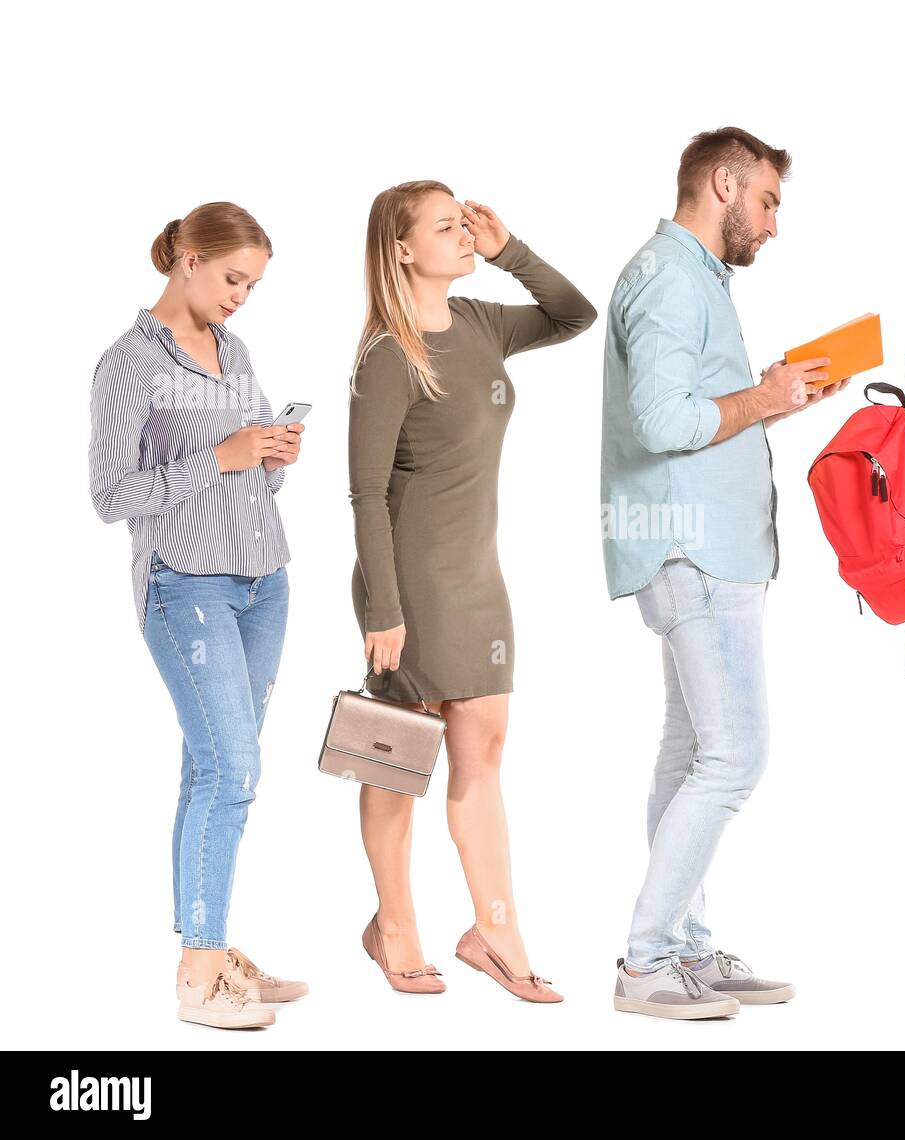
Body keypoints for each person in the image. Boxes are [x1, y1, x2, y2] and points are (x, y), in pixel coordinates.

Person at [601, 127, 848, 1019]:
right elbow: (665, 422)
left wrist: (773, 403)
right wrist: (767, 397)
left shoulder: (691, 278)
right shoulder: (671, 278)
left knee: (691, 754)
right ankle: (645, 963)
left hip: (698, 544)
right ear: (722, 183)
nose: (775, 224)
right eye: (769, 201)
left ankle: (686, 949)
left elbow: (694, 420)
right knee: (736, 756)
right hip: (695, 552)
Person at [348, 181, 596, 1002]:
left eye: (467, 222)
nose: (464, 234)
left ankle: (493, 930)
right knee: (399, 756)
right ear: (403, 249)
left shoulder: (485, 322)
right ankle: (396, 927)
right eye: (446, 227)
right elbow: (368, 495)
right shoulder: (389, 355)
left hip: (479, 578)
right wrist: (382, 608)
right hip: (411, 582)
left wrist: (508, 248)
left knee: (483, 749)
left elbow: (573, 315)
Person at [89, 201, 308, 1029]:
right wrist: (217, 456)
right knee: (233, 772)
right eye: (231, 278)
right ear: (186, 258)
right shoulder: (125, 365)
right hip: (184, 588)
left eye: (252, 285)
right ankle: (199, 977)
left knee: (214, 770)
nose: (241, 297)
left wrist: (271, 457)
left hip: (263, 582)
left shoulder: (234, 348)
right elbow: (111, 497)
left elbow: (244, 476)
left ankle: (210, 945)